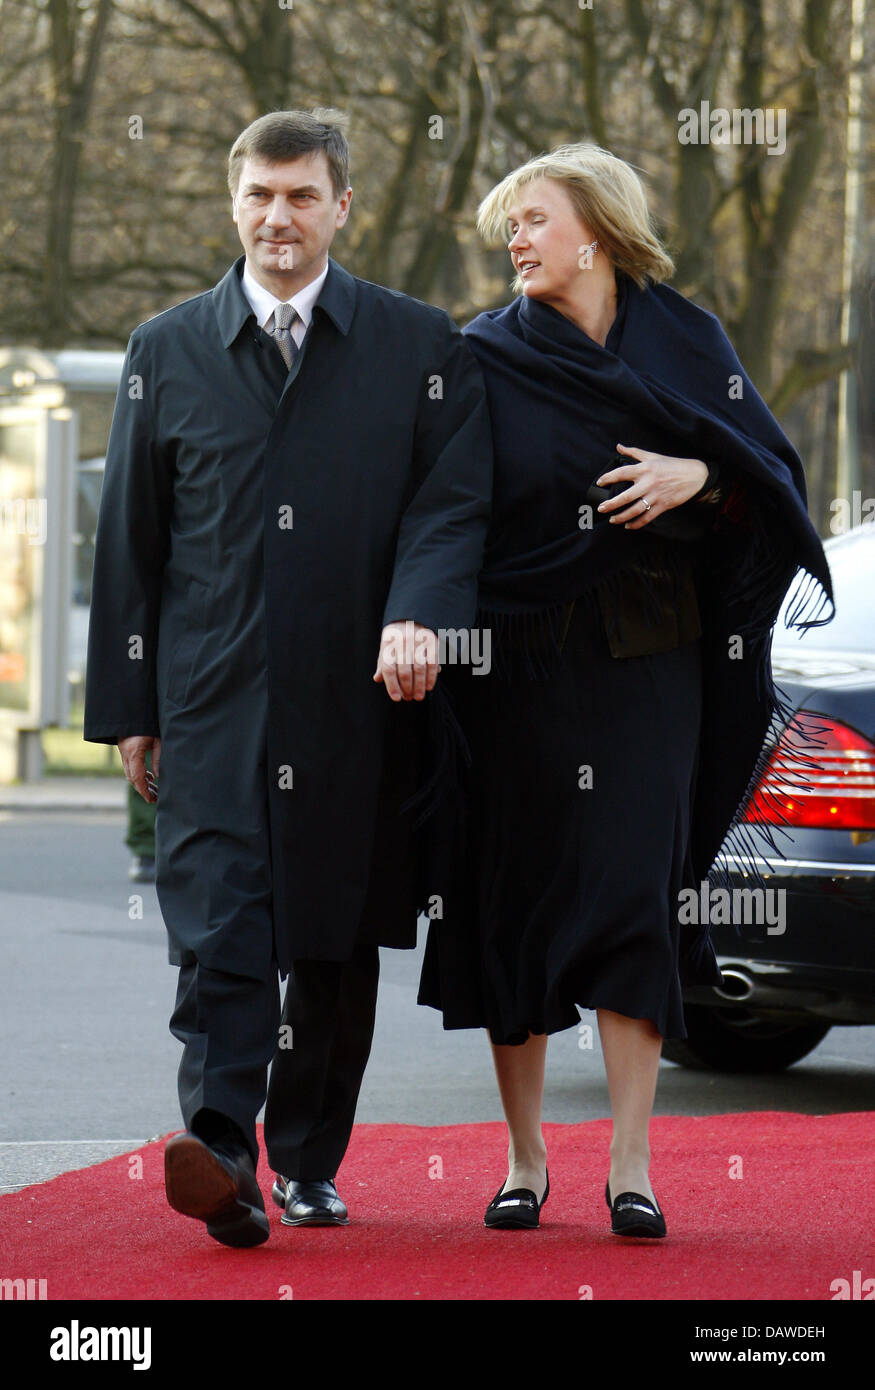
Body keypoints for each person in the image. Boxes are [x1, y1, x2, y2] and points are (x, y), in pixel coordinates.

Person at [84, 108, 492, 1246]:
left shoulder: (417, 347)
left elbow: (451, 506)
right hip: (209, 704)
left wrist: (418, 615)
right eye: (261, 195)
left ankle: (307, 1159)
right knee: (220, 930)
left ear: (341, 206)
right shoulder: (164, 351)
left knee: (328, 938)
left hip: (353, 707)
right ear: (234, 203)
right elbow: (132, 541)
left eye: (302, 195)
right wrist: (129, 707)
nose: (279, 216)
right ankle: (221, 1152)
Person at [418, 144, 833, 1238]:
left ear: (595, 231)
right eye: (507, 223)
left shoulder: (684, 339)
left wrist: (698, 473)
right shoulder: (479, 356)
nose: (514, 239)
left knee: (631, 901)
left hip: (651, 671)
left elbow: (769, 470)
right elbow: (446, 506)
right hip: (514, 670)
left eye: (534, 219)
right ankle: (521, 1160)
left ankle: (633, 1166)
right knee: (512, 902)